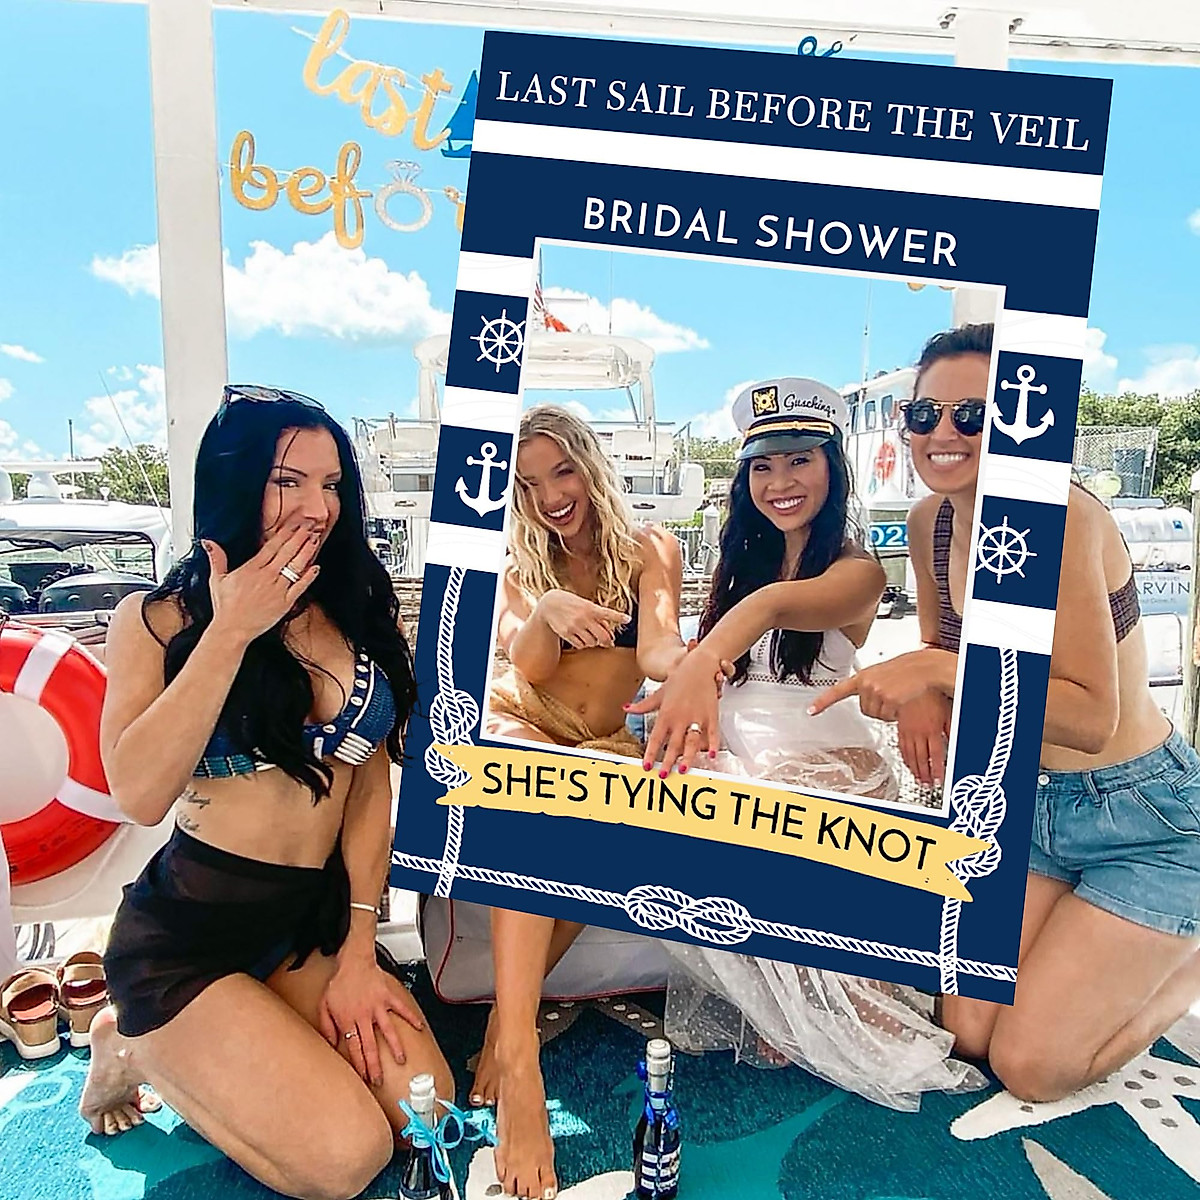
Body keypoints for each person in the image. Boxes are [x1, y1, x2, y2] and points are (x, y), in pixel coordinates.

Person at [80, 385, 452, 1200]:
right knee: (346, 1158)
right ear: (235, 482)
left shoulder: (354, 602)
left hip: (305, 926)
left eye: (331, 484)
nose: (318, 507)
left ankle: (244, 1034)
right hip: (186, 943)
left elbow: (366, 786)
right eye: (288, 481)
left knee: (426, 1112)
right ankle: (132, 1039)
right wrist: (230, 629)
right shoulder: (153, 620)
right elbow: (139, 795)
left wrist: (359, 952)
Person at [813, 324, 1200, 1102]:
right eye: (925, 415)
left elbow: (1090, 717)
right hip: (1026, 806)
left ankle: (1185, 957)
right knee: (967, 1034)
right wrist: (926, 692)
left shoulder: (1066, 518)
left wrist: (935, 673)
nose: (944, 433)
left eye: (974, 415)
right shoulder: (931, 522)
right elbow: (939, 644)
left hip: (1144, 815)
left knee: (1030, 1067)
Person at [633, 377, 983, 1109]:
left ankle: (834, 1010)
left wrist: (701, 661)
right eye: (763, 466)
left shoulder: (858, 571)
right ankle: (787, 1005)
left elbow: (775, 609)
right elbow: (696, 651)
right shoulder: (741, 568)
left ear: (833, 467)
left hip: (824, 770)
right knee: (668, 800)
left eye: (800, 460)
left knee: (739, 820)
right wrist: (682, 662)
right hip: (743, 765)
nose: (780, 482)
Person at [476, 404, 690, 1200]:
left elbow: (658, 643)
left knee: (594, 821)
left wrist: (695, 667)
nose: (550, 496)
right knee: (530, 795)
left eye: (562, 471)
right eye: (529, 484)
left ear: (590, 468)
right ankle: (521, 1067)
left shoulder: (648, 549)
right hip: (527, 723)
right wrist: (545, 612)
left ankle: (506, 1020)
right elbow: (528, 668)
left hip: (603, 744)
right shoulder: (519, 568)